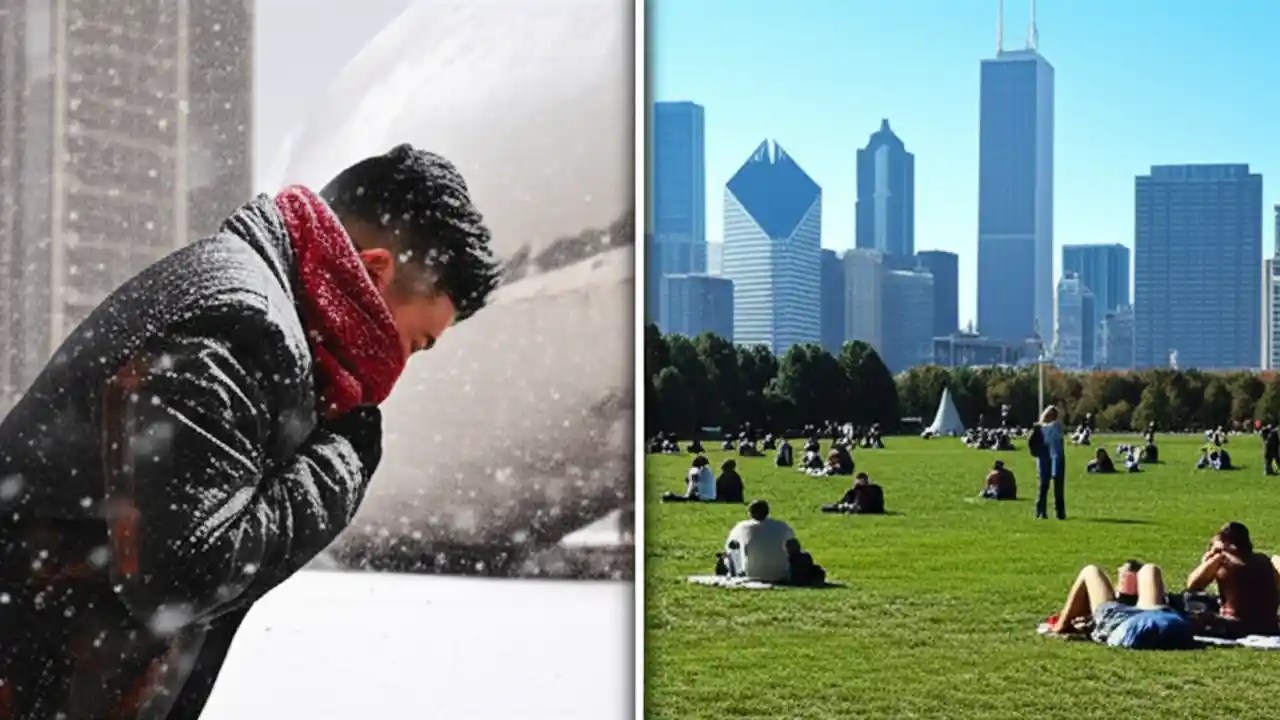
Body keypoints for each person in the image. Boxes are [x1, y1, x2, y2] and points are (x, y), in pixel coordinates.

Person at [0, 144, 501, 718]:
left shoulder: (242, 297)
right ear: (372, 271)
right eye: (415, 343)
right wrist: (340, 465)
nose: (398, 370)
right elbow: (182, 577)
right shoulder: (242, 326)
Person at [1046, 564, 1196, 650]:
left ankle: (1059, 627)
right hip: (1162, 617)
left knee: (1090, 570)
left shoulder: (1110, 614)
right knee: (1149, 568)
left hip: (1125, 623)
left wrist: (1061, 627)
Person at [1185, 522, 1280, 638]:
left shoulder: (1223, 560)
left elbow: (1192, 586)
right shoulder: (1263, 560)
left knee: (1190, 600)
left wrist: (1209, 561)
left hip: (1237, 625)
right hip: (1270, 625)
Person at [725, 501, 796, 582]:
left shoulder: (741, 527)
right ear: (768, 511)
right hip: (780, 574)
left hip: (751, 574)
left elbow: (730, 548)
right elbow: (794, 546)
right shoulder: (782, 526)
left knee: (730, 553)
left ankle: (735, 574)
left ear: (750, 513)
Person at [1032, 405, 1067, 520]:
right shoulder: (1038, 429)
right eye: (1049, 415)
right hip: (1044, 458)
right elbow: (1033, 444)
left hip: (1057, 458)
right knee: (1044, 486)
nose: (1051, 417)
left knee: (1058, 488)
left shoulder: (1056, 428)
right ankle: (1041, 511)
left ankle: (1060, 513)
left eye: (1054, 415)